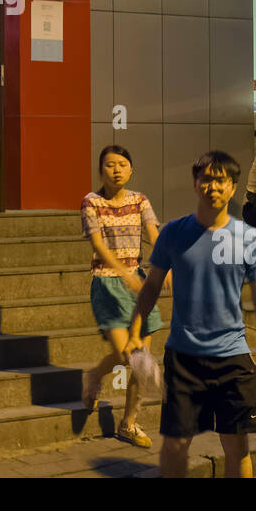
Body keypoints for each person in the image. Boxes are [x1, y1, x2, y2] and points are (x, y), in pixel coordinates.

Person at [125, 151, 256, 478]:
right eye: (206, 178)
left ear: (233, 187)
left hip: (233, 358)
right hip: (184, 357)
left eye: (220, 180)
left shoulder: (248, 236)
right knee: (175, 444)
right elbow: (152, 286)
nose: (213, 186)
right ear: (195, 184)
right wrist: (135, 329)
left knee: (236, 447)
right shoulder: (173, 233)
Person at [79, 145, 165, 449]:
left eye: (122, 164)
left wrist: (165, 265)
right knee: (130, 354)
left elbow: (155, 235)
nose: (116, 169)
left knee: (142, 355)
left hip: (139, 283)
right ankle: (96, 374)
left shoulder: (140, 201)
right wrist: (124, 273)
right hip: (107, 284)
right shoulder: (91, 202)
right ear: (101, 170)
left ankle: (128, 422)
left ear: (131, 169)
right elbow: (98, 245)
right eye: (110, 165)